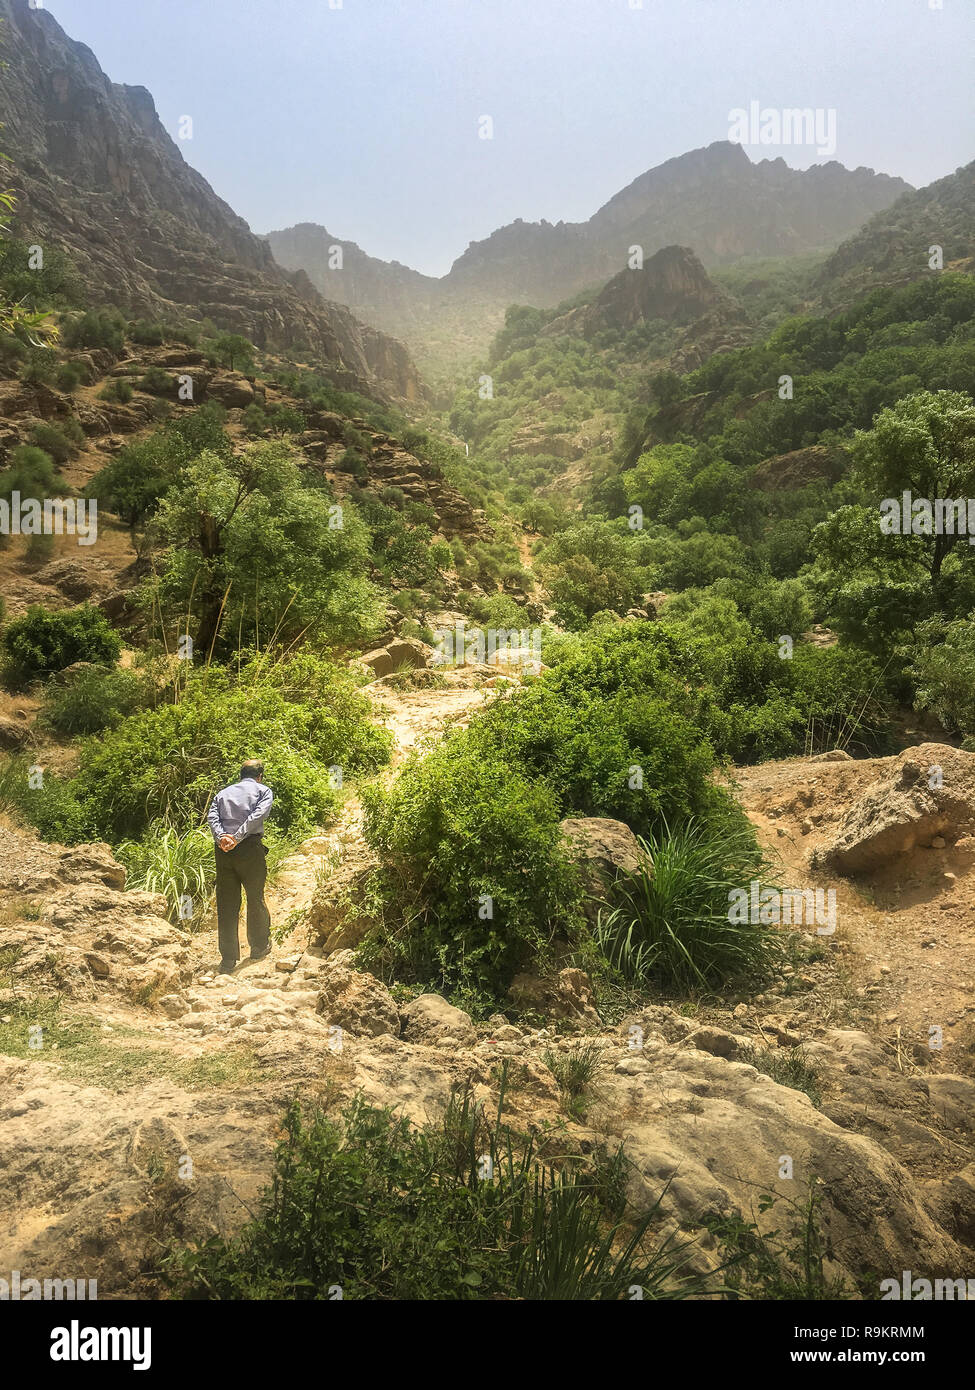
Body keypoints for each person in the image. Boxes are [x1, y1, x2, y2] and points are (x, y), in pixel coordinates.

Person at [206, 760, 273, 974]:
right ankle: (259, 948)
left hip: (223, 852)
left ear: (240, 774)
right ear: (260, 775)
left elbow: (212, 817)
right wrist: (237, 837)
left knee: (227, 904)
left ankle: (227, 960)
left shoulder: (223, 794)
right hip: (249, 849)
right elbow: (257, 817)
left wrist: (222, 837)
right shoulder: (263, 791)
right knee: (255, 897)